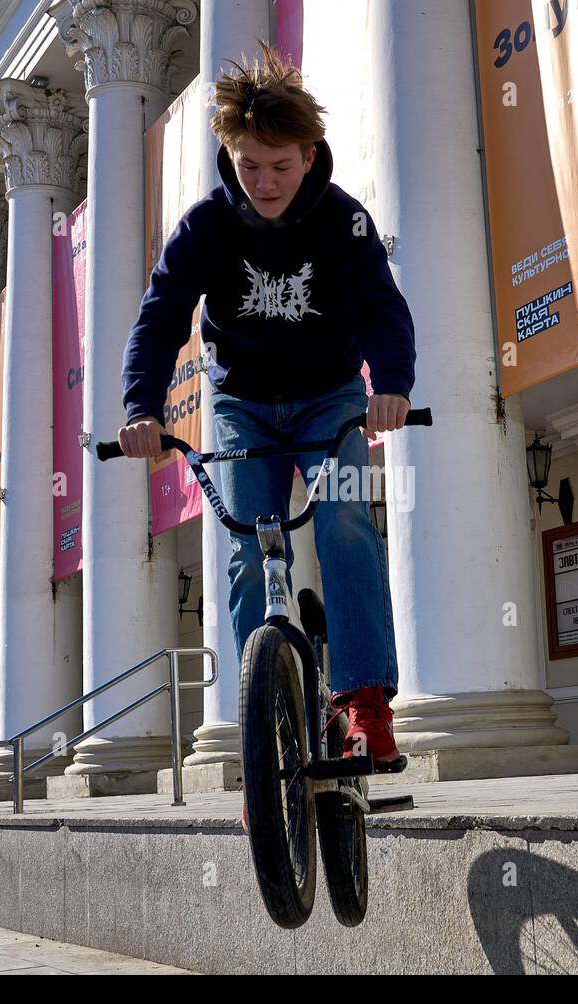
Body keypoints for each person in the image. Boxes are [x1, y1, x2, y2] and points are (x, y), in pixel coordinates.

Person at [117, 40, 417, 815]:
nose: (265, 182)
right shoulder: (206, 227)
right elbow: (159, 318)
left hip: (329, 399)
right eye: (249, 165)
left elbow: (381, 307)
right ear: (230, 154)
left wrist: (391, 385)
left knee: (345, 520)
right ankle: (265, 734)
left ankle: (364, 701)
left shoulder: (343, 221)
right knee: (249, 549)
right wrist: (141, 407)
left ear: (308, 156)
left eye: (280, 166)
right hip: (241, 404)